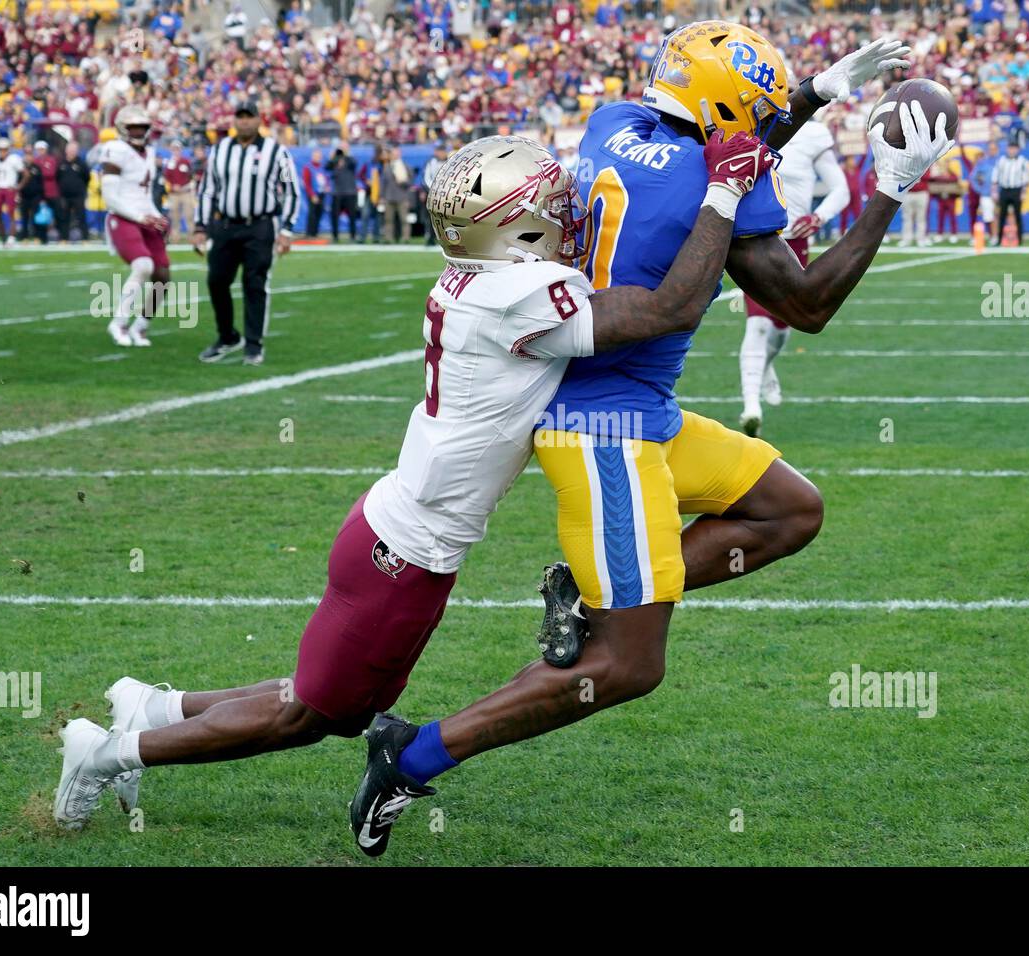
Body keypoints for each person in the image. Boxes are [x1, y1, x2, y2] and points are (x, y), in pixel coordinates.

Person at [51, 131, 775, 834]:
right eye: (550, 207)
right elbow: (669, 308)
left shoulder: (485, 277)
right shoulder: (520, 292)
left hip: (395, 533)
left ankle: (154, 706)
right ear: (514, 230)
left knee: (330, 702)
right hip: (404, 552)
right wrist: (721, 191)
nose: (569, 213)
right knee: (312, 716)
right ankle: (107, 752)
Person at [345, 26, 952, 858]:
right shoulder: (710, 181)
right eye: (758, 105)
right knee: (627, 665)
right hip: (604, 434)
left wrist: (814, 93)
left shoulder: (612, 121)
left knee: (787, 510)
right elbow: (805, 304)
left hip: (640, 413)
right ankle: (409, 754)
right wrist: (890, 188)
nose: (765, 115)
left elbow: (715, 152)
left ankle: (585, 590)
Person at [739, 115, 850, 437]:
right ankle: (750, 406)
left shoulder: (813, 133)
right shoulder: (749, 126)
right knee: (757, 323)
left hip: (794, 240)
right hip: (755, 236)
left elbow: (840, 189)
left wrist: (820, 216)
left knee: (781, 326)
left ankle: (767, 365)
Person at [193, 101, 300, 366]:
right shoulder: (219, 150)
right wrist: (199, 227)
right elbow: (207, 189)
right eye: (239, 117)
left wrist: (286, 229)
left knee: (255, 284)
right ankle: (227, 336)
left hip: (259, 227)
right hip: (225, 225)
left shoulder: (277, 152)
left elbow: (291, 191)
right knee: (216, 280)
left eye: (248, 117)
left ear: (258, 120)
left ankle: (253, 345)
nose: (244, 122)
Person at [98, 105, 170, 347]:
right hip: (123, 217)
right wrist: (141, 218)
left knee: (162, 277)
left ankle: (140, 326)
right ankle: (118, 323)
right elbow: (111, 197)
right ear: (122, 128)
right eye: (133, 127)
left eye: (142, 127)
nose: (138, 132)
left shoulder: (148, 153)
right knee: (143, 265)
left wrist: (157, 216)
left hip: (144, 217)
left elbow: (145, 195)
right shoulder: (115, 149)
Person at [992, 139, 1029, 245]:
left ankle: (1019, 240)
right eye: (1010, 148)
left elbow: (1026, 178)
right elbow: (996, 176)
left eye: (1014, 149)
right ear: (1007, 149)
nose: (1012, 151)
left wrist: (1023, 192)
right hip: (1004, 190)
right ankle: (999, 239)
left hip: (1016, 190)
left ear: (1017, 150)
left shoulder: (1022, 161)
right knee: (1002, 215)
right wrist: (994, 191)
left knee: (1018, 216)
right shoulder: (1002, 160)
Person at [325, 144, 359, 242]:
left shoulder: (350, 159)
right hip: (337, 193)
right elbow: (327, 167)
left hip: (350, 192)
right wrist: (332, 156)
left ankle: (353, 236)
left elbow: (354, 164)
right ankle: (335, 237)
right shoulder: (335, 160)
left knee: (352, 216)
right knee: (334, 216)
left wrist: (347, 153)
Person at [57, 141, 90, 241]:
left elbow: (87, 177)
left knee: (81, 217)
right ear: (66, 151)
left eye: (73, 150)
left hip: (78, 195)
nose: (71, 152)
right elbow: (57, 177)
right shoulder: (61, 163)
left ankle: (85, 238)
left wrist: (80, 188)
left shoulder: (82, 163)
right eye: (70, 150)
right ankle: (64, 238)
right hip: (64, 196)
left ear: (77, 151)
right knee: (64, 217)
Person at [163, 141, 196, 241]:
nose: (176, 151)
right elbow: (166, 179)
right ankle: (175, 237)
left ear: (181, 150)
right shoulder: (168, 163)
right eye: (174, 149)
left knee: (189, 214)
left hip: (186, 192)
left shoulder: (186, 161)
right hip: (173, 194)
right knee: (174, 216)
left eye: (177, 149)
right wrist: (172, 187)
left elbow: (192, 176)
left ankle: (192, 236)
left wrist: (186, 187)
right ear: (171, 150)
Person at [381, 146, 413, 243]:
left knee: (404, 219)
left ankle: (405, 237)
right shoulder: (387, 167)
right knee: (388, 220)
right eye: (393, 153)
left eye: (396, 153)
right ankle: (388, 238)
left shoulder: (405, 166)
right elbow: (384, 183)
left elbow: (410, 182)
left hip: (402, 197)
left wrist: (403, 182)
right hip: (389, 197)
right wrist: (382, 196)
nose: (394, 155)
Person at [419, 142, 448, 246]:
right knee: (431, 218)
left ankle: (445, 239)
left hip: (445, 195)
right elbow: (426, 178)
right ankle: (430, 237)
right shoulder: (431, 162)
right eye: (439, 151)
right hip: (432, 194)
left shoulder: (449, 162)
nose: (441, 153)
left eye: (443, 151)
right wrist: (434, 190)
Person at [32, 141, 61, 233]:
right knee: (39, 214)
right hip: (39, 192)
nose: (40, 151)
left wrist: (40, 172)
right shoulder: (35, 161)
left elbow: (51, 173)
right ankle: (40, 235)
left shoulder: (51, 160)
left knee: (57, 213)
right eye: (39, 150)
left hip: (52, 191)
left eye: (42, 149)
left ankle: (59, 234)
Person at [898, 167, 931, 246]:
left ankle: (921, 239)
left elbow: (927, 176)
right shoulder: (906, 162)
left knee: (921, 217)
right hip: (908, 193)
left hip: (921, 193)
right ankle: (906, 239)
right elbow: (902, 176)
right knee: (907, 217)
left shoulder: (925, 163)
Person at [301, 149, 328, 238]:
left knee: (319, 213)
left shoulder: (322, 167)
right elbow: (306, 182)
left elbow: (325, 178)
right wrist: (312, 195)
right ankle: (309, 233)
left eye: (319, 156)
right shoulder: (308, 167)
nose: (318, 158)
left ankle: (315, 233)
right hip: (313, 194)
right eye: (316, 156)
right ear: (313, 156)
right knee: (312, 213)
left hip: (321, 193)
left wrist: (327, 186)